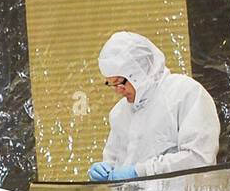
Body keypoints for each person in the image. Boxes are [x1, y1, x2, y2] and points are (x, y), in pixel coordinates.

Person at [88, 31, 220, 182]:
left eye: (120, 81)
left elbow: (199, 158)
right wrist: (105, 169)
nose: (118, 90)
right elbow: (114, 161)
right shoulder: (120, 112)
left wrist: (140, 171)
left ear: (139, 71)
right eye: (111, 83)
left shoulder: (184, 93)